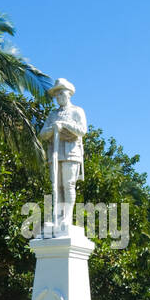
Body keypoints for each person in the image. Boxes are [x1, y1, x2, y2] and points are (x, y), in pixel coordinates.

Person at [39, 77, 87, 234]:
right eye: (56, 94)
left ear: (68, 94)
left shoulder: (77, 111)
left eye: (61, 93)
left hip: (71, 152)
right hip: (55, 152)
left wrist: (64, 125)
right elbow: (42, 134)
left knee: (68, 185)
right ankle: (57, 217)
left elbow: (82, 131)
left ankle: (67, 217)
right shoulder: (53, 114)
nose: (58, 97)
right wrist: (52, 129)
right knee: (56, 186)